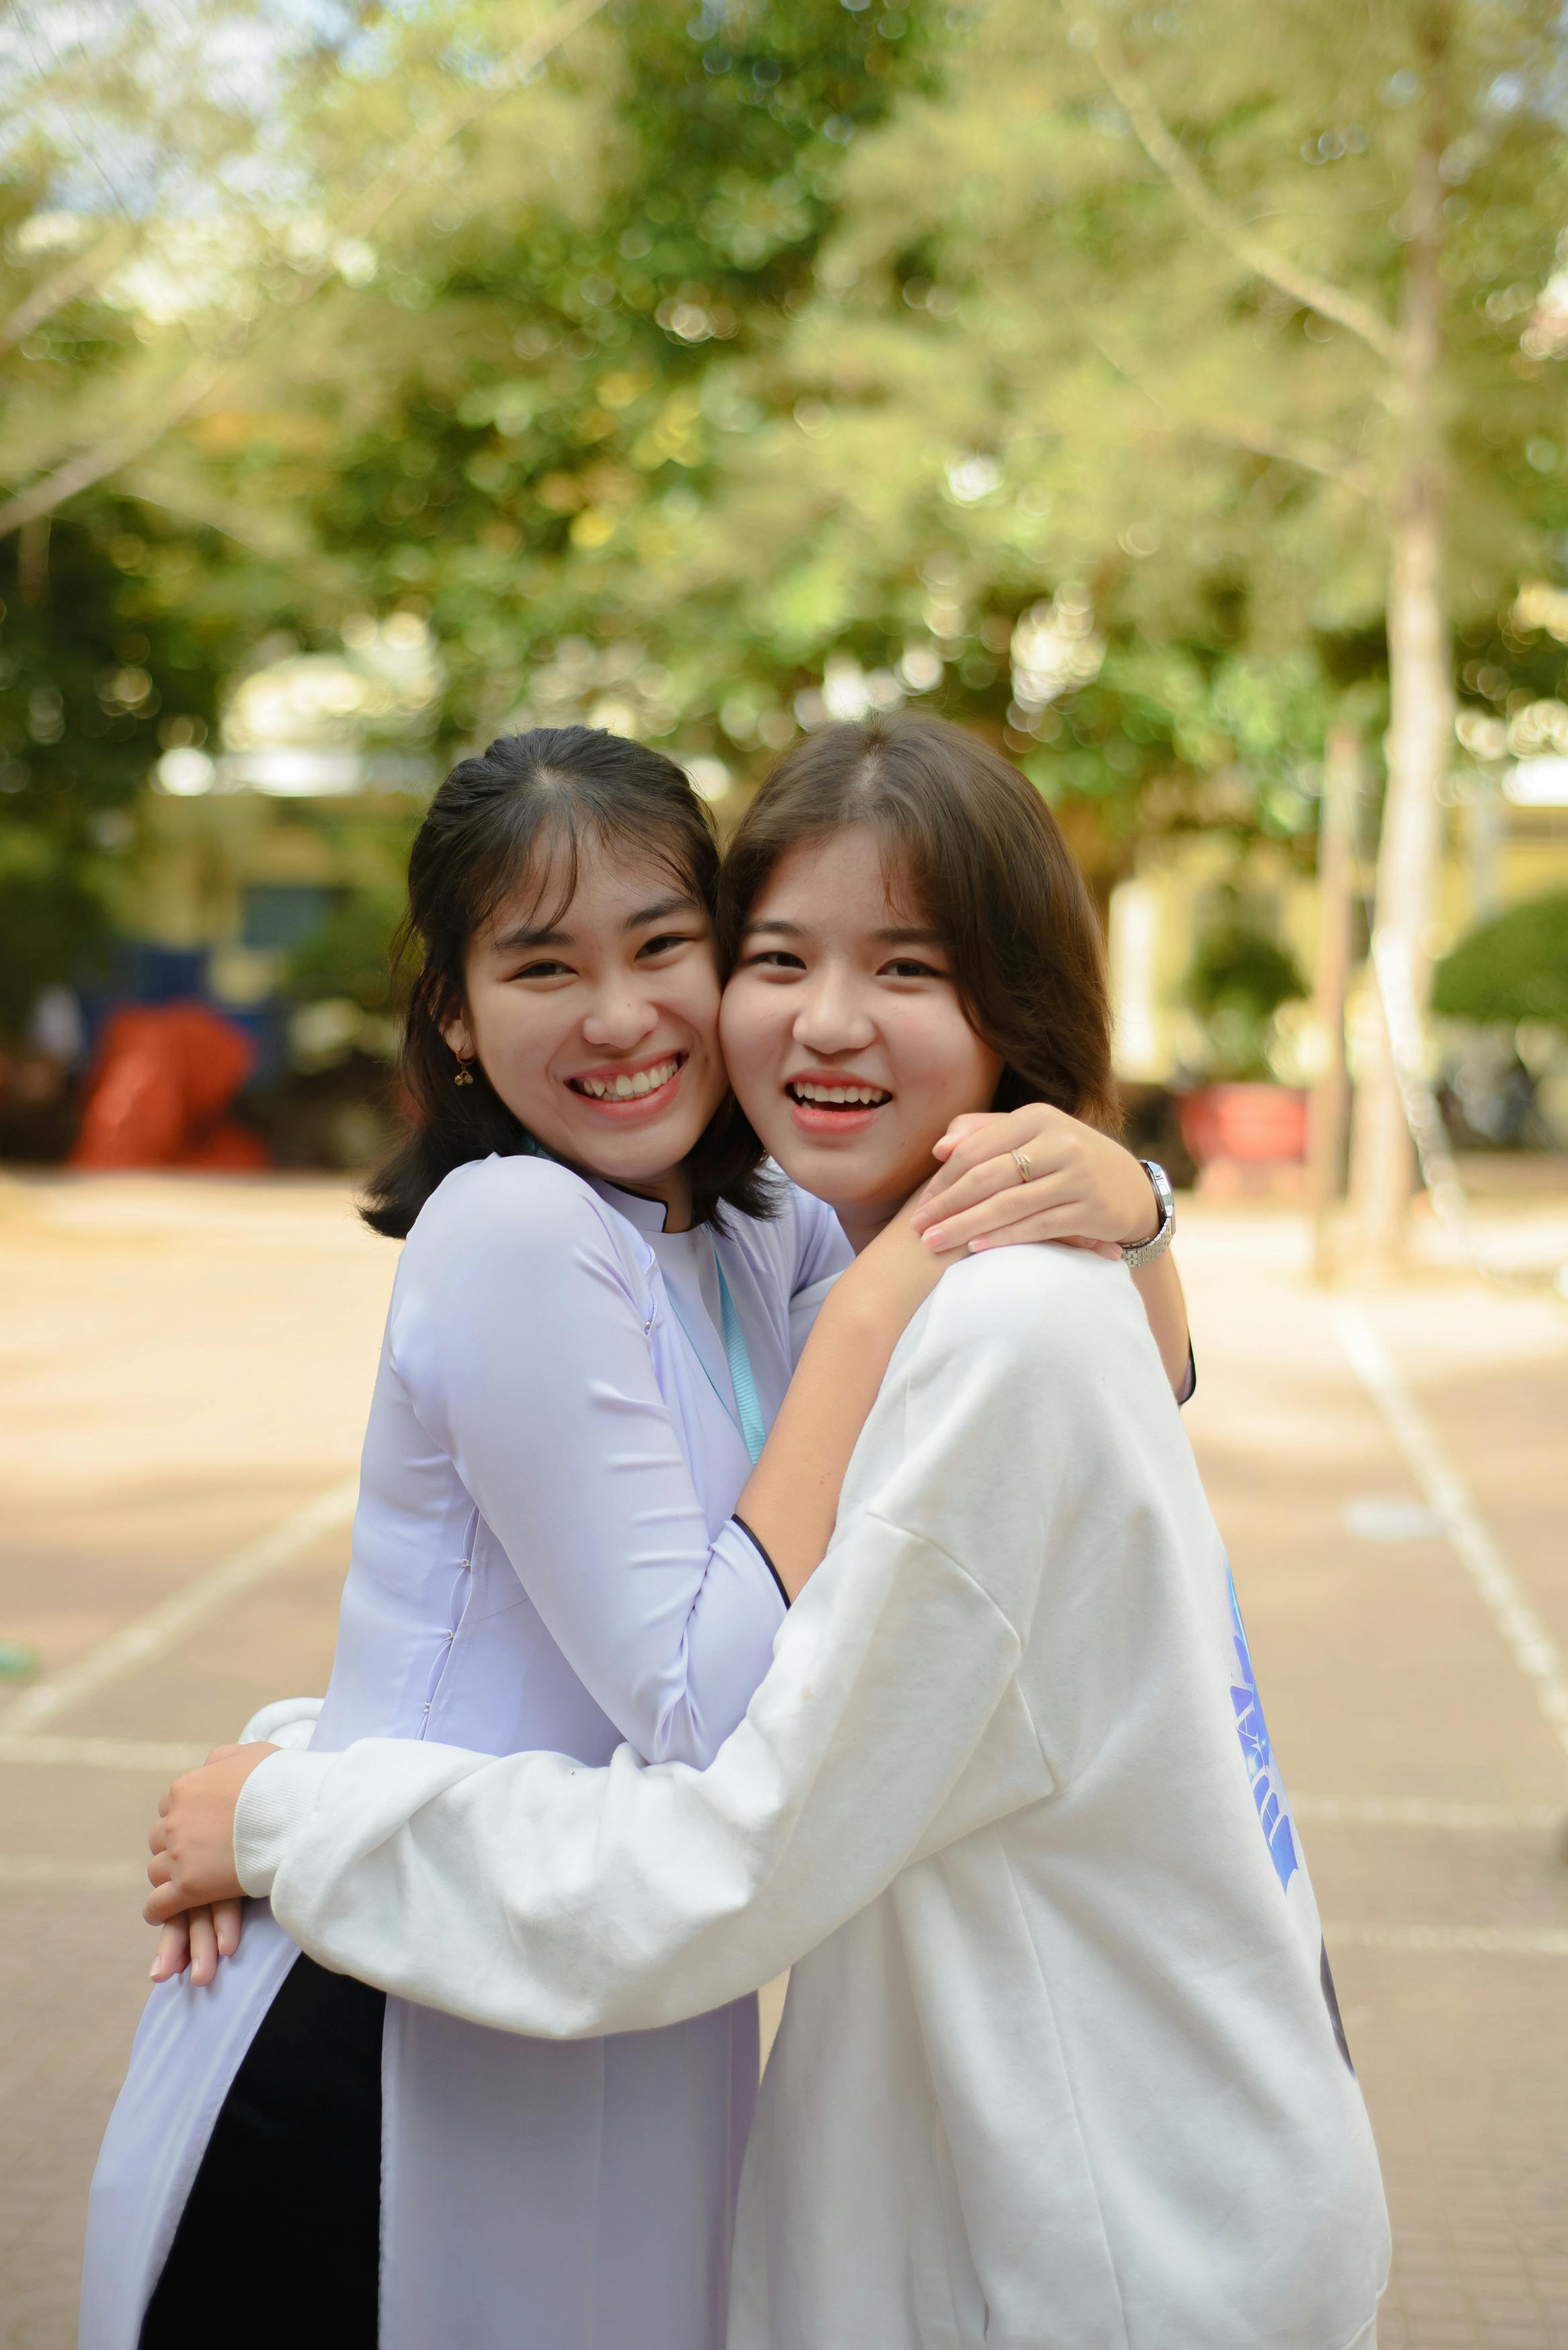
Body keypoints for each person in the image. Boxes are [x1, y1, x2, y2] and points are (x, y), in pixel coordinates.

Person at [149, 714, 1389, 2350]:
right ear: (449, 1006)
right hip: (1113, 2183)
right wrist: (1121, 1205)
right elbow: (1147, 1367)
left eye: (904, 968)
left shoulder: (945, 1309)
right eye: (780, 955)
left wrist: (295, 1806)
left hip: (1112, 2240)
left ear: (1011, 1000)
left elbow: (726, 1837)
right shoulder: (862, 1262)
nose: (823, 1020)